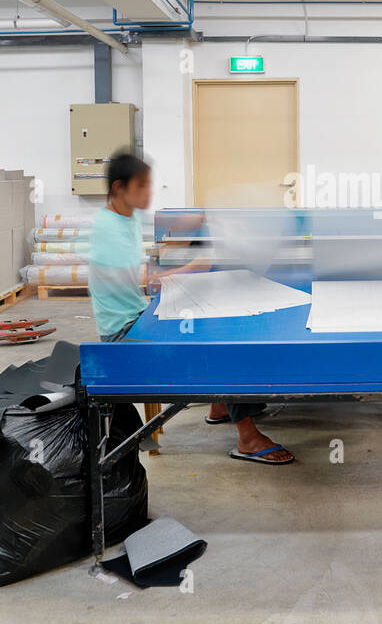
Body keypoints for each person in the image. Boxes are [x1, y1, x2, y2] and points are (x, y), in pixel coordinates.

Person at [89, 151, 294, 465]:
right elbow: (146, 281)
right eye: (142, 186)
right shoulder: (107, 230)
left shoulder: (123, 215)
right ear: (119, 187)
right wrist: (196, 266)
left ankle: (221, 405)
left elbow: (177, 223)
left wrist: (210, 215)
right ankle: (248, 437)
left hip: (139, 317)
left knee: (215, 323)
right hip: (125, 335)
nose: (149, 193)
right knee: (221, 344)